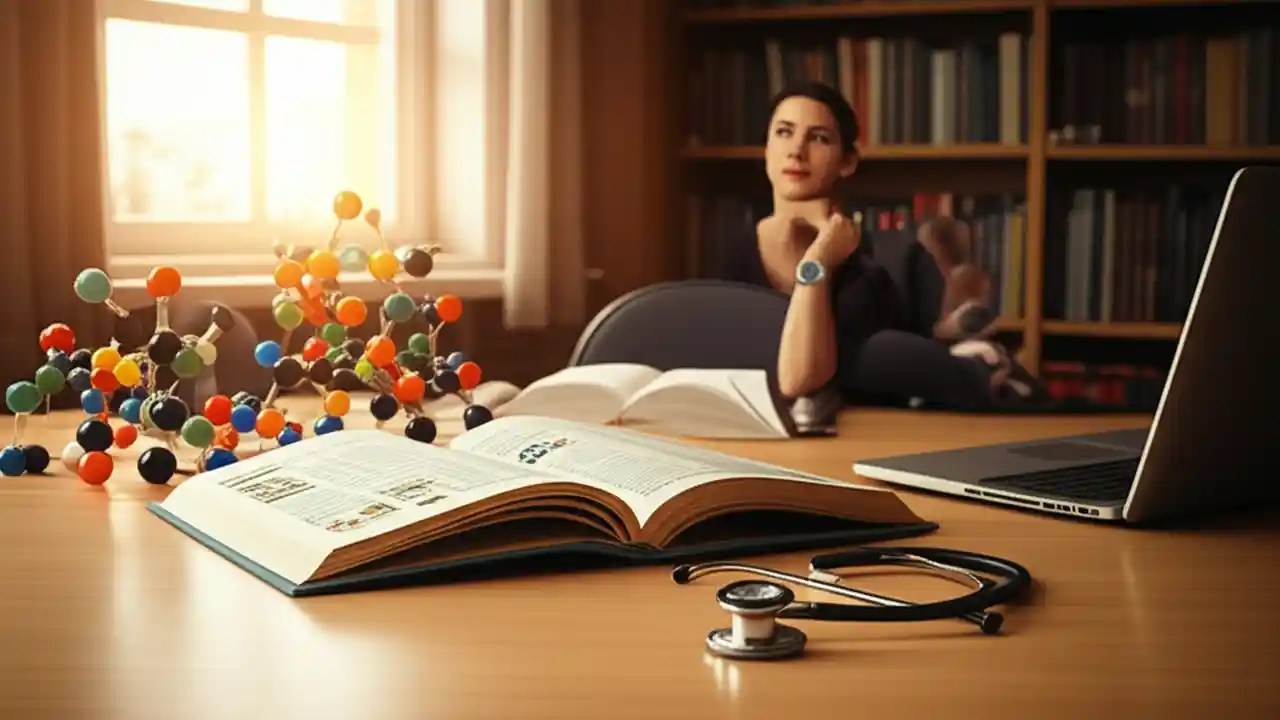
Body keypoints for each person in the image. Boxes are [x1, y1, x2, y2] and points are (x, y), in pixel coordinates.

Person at [722, 81, 1038, 410]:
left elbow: (799, 378)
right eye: (784, 132)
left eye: (818, 138)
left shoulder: (873, 271)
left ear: (847, 161)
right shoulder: (735, 254)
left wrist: (818, 261)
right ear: (766, 146)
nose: (796, 151)